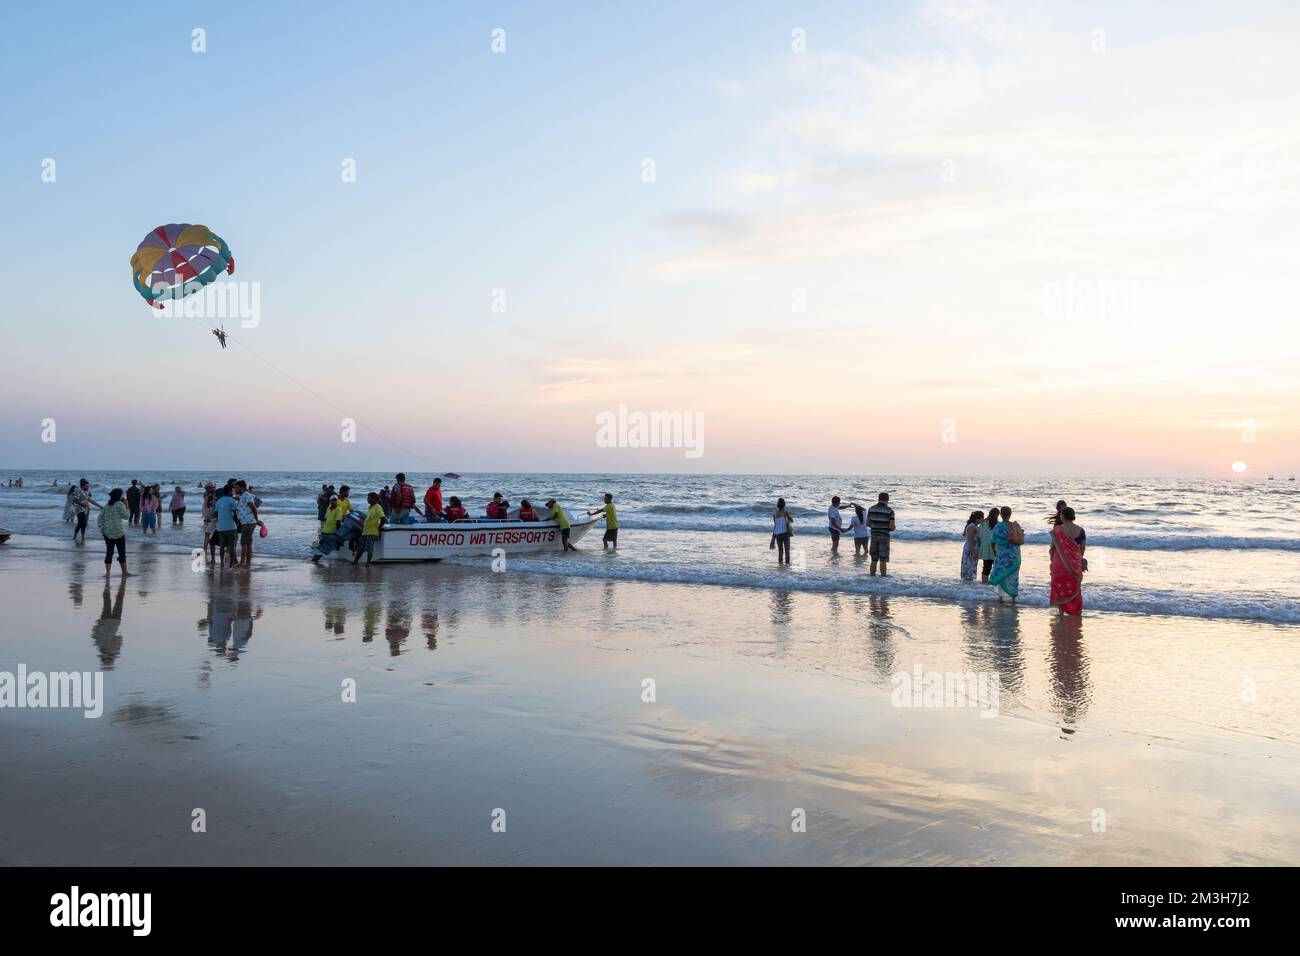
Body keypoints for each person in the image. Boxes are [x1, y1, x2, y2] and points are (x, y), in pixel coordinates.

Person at [1049, 506, 1087, 614]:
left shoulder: (1057, 530)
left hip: (1059, 564)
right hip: (1074, 565)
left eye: (1061, 514)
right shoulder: (1081, 530)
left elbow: (1053, 549)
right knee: (1076, 589)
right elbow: (1082, 549)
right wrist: (1076, 560)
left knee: (1060, 588)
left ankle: (1061, 612)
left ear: (1063, 516)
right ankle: (1077, 612)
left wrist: (1052, 561)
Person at [989, 506, 1023, 602]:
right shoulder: (1015, 526)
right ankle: (1013, 598)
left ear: (1000, 515)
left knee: (1001, 575)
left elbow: (992, 541)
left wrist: (994, 552)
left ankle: (1000, 598)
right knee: (1013, 576)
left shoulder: (998, 526)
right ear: (1010, 514)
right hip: (1015, 555)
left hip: (1002, 555)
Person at [97, 488, 131, 578]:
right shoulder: (120, 504)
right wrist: (127, 505)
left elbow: (100, 518)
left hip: (107, 533)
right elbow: (126, 517)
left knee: (109, 552)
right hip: (119, 533)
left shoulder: (107, 505)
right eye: (122, 495)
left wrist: (102, 528)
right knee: (122, 553)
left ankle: (107, 573)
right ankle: (124, 572)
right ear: (119, 496)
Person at [867, 492, 896, 576]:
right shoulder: (890, 511)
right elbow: (892, 527)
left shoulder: (871, 509)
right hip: (884, 536)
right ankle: (883, 579)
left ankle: (872, 578)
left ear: (878, 499)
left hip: (874, 536)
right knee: (883, 559)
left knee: (874, 559)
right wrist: (891, 528)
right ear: (887, 500)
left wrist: (875, 526)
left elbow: (867, 523)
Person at [234, 480, 260, 569]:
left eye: (236, 488)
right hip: (246, 522)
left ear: (242, 488)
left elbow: (253, 507)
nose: (235, 489)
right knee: (248, 543)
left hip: (249, 522)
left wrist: (256, 520)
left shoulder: (247, 495)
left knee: (244, 543)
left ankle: (242, 563)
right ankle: (247, 563)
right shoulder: (242, 496)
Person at [214, 484, 239, 568]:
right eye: (233, 491)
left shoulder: (219, 501)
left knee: (222, 546)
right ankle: (231, 565)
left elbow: (216, 513)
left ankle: (222, 563)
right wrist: (237, 523)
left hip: (221, 527)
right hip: (231, 527)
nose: (233, 493)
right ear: (229, 491)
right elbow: (235, 514)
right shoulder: (232, 501)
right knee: (231, 546)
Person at [356, 492, 385, 564]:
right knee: (360, 548)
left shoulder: (378, 507)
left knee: (369, 548)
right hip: (365, 531)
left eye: (369, 498)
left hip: (372, 532)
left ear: (374, 499)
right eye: (367, 498)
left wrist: (379, 528)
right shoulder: (370, 507)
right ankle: (355, 562)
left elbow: (383, 519)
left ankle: (367, 563)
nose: (367, 500)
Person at [976, 507, 999, 583]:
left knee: (986, 567)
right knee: (996, 567)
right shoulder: (997, 524)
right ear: (997, 515)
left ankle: (984, 585)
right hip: (994, 547)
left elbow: (979, 534)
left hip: (985, 546)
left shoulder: (983, 523)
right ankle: (994, 584)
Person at [961, 511, 984, 582]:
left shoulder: (974, 526)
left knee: (970, 567)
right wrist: (973, 552)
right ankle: (968, 586)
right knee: (969, 568)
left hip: (972, 548)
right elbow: (970, 541)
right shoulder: (972, 527)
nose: (982, 520)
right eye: (981, 518)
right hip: (970, 549)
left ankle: (968, 586)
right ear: (977, 519)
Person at [771, 498, 793, 563]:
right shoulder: (785, 512)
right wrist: (788, 520)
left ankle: (780, 565)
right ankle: (787, 565)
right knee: (787, 551)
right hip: (785, 534)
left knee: (780, 552)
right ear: (784, 505)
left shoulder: (774, 514)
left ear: (778, 505)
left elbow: (776, 524)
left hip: (778, 535)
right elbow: (792, 520)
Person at [201, 483, 218, 562]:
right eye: (207, 488)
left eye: (210, 487)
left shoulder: (215, 495)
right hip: (208, 517)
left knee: (209, 533)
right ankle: (204, 550)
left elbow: (213, 507)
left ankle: (205, 550)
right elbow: (206, 506)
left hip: (213, 518)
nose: (208, 489)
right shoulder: (207, 495)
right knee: (207, 533)